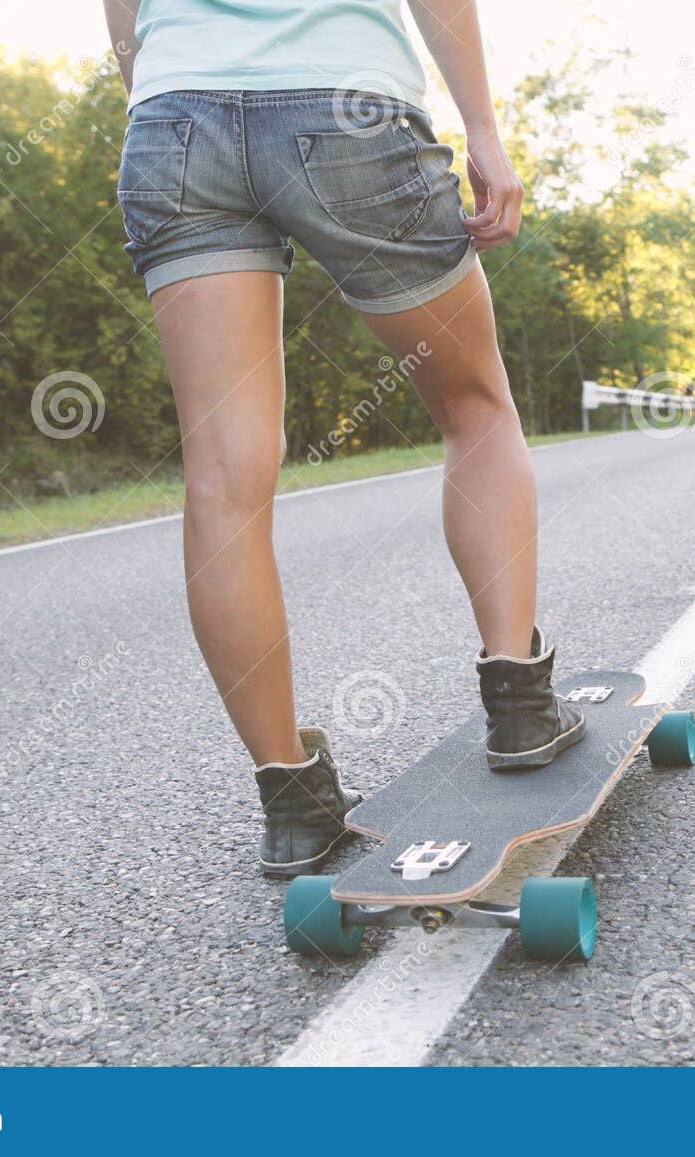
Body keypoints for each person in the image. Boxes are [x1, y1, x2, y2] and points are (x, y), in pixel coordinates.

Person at [101, 0, 584, 878]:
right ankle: (519, 704)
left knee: (223, 476)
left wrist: (162, 99)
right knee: (475, 402)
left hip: (174, 119)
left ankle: (294, 804)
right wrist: (484, 128)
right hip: (343, 102)